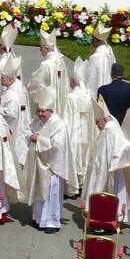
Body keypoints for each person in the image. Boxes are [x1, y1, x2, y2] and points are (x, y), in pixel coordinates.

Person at [23, 83, 76, 234]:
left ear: (51, 110)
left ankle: (52, 222)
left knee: (51, 194)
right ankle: (38, 218)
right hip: (39, 164)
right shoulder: (38, 120)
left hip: (52, 166)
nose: (40, 114)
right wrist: (31, 136)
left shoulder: (59, 124)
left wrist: (38, 138)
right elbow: (28, 130)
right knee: (39, 191)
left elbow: (57, 146)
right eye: (39, 111)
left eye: (43, 111)